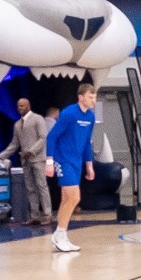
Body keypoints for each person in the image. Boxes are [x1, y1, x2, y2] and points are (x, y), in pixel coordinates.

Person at [45, 81, 98, 252]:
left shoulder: (90, 117)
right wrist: (49, 161)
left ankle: (60, 235)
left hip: (76, 161)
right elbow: (51, 136)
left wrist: (89, 165)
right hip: (63, 159)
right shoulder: (69, 113)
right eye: (90, 97)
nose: (93, 100)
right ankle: (59, 233)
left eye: (94, 97)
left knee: (67, 199)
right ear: (81, 97)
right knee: (74, 197)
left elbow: (87, 143)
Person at [7, 98, 52, 226]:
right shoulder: (17, 124)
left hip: (38, 159)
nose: (20, 108)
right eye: (18, 106)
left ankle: (47, 215)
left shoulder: (38, 119)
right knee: (30, 188)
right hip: (25, 161)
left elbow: (43, 138)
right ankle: (34, 215)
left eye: (22, 105)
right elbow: (14, 144)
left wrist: (31, 151)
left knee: (41, 186)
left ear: (28, 106)